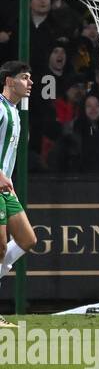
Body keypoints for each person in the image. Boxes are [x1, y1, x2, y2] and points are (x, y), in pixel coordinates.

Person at [0, 62, 37, 327]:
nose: (30, 82)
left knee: (27, 239)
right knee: (0, 248)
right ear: (9, 81)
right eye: (25, 78)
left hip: (5, 189)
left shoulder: (15, 112)